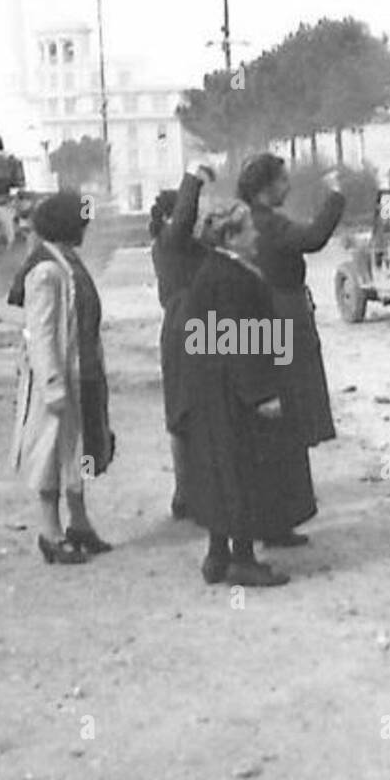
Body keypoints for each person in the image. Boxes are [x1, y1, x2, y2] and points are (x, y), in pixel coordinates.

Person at [173, 199, 316, 587]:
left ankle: (217, 556)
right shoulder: (231, 277)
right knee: (243, 474)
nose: (256, 235)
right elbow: (242, 344)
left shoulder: (215, 270)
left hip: (214, 390)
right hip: (235, 393)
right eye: (249, 229)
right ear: (231, 237)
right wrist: (262, 394)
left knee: (222, 474)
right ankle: (243, 560)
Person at [236, 152, 345, 546]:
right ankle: (277, 520)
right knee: (286, 418)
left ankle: (279, 521)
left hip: (275, 316)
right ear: (266, 187)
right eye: (282, 181)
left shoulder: (254, 220)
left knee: (282, 422)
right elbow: (315, 238)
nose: (287, 187)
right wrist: (334, 196)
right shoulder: (269, 223)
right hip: (284, 318)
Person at [7, 192, 114, 565]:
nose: (87, 227)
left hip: (81, 372)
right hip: (57, 379)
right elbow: (41, 333)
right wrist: (52, 385)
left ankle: (80, 523)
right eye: (82, 220)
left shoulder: (66, 261)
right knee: (51, 455)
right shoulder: (46, 271)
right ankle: (50, 532)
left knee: (79, 452)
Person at [149, 163, 214, 518]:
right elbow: (187, 216)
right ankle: (189, 493)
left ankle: (187, 491)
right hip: (188, 327)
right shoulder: (174, 242)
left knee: (182, 411)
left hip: (180, 328)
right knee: (190, 411)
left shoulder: (174, 245)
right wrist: (193, 177)